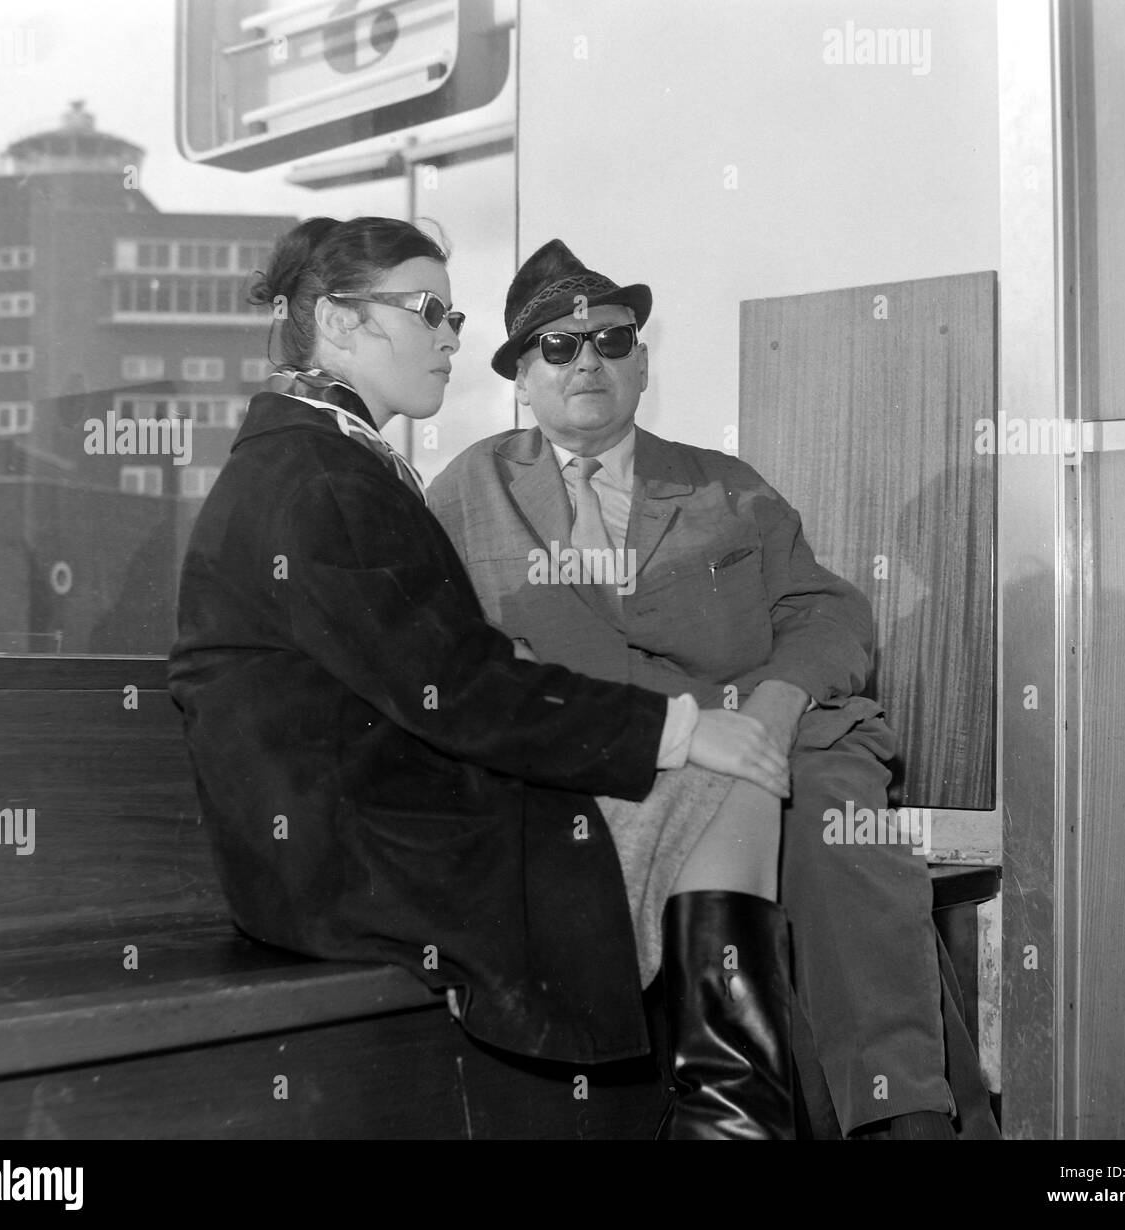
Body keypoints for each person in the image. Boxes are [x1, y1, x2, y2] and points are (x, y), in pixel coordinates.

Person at [166, 216, 799, 1140]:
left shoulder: (323, 455)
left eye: (453, 316)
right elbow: (458, 689)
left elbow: (441, 677)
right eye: (428, 312)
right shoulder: (316, 478)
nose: (453, 338)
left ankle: (726, 1119)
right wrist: (680, 726)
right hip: (361, 858)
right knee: (722, 778)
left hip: (360, 830)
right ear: (340, 323)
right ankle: (735, 1122)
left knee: (713, 785)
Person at [427, 239, 1002, 1141]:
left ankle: (909, 1122)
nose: (589, 363)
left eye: (614, 343)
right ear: (520, 381)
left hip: (775, 738)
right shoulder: (468, 493)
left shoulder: (723, 485)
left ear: (643, 363)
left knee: (838, 835)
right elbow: (439, 654)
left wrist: (777, 699)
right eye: (559, 348)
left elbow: (830, 614)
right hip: (613, 759)